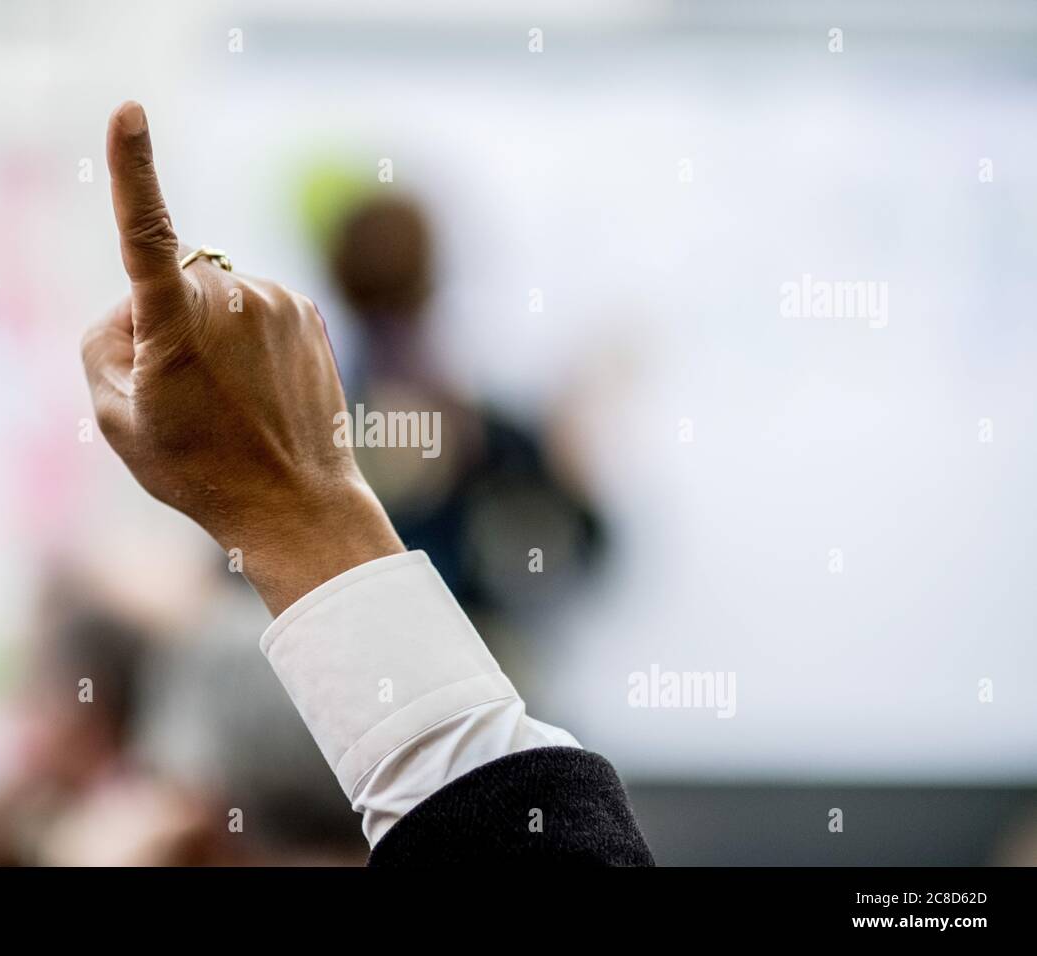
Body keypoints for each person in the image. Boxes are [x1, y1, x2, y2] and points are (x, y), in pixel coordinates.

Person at [80, 101, 653, 865]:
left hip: (322, 759)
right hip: (495, 781)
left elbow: (247, 584)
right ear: (437, 276)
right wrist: (575, 457)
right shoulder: (499, 435)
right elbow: (582, 558)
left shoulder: (303, 425)